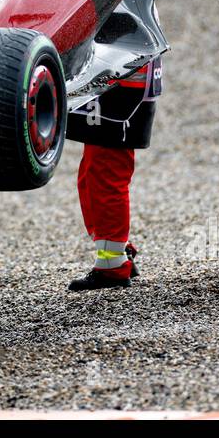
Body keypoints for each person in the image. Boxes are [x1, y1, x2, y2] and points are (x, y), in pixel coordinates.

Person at [65, 59, 162, 291]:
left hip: (119, 81)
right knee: (91, 173)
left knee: (105, 174)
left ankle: (113, 265)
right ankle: (119, 251)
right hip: (110, 79)